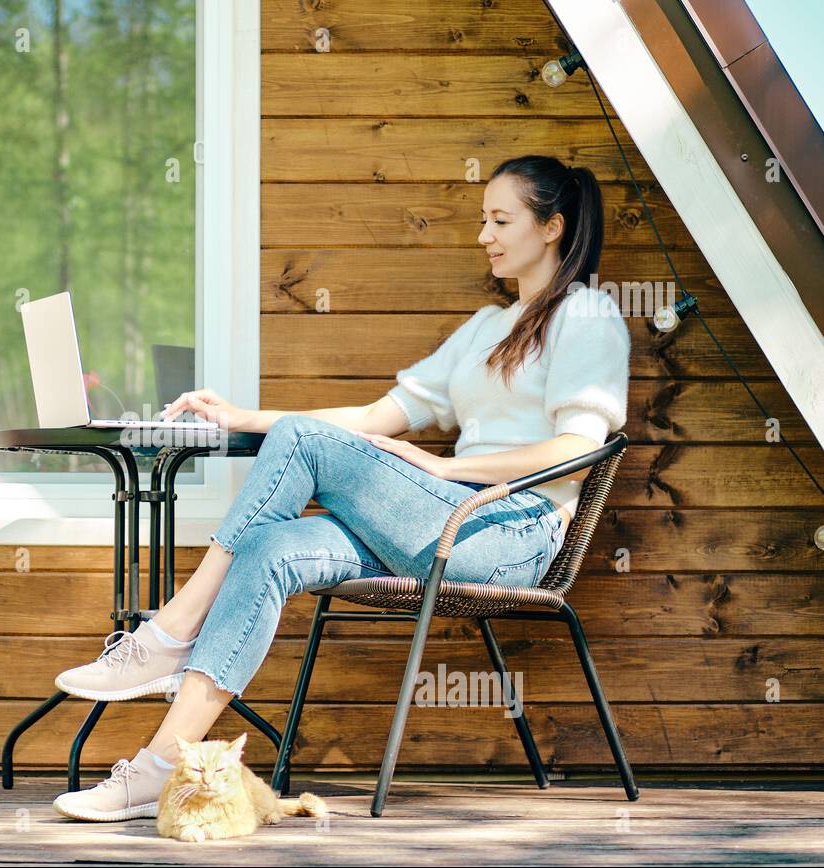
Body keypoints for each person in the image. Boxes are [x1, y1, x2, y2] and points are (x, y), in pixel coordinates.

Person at [51, 155, 631, 822]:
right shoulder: (485, 330)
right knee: (268, 548)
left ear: (553, 226)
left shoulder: (588, 315)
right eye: (483, 220)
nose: (484, 236)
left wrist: (444, 469)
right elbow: (371, 420)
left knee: (299, 440)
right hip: (436, 526)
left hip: (506, 534)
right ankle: (161, 767)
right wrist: (243, 416)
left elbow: (580, 453)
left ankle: (170, 631)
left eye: (501, 220)